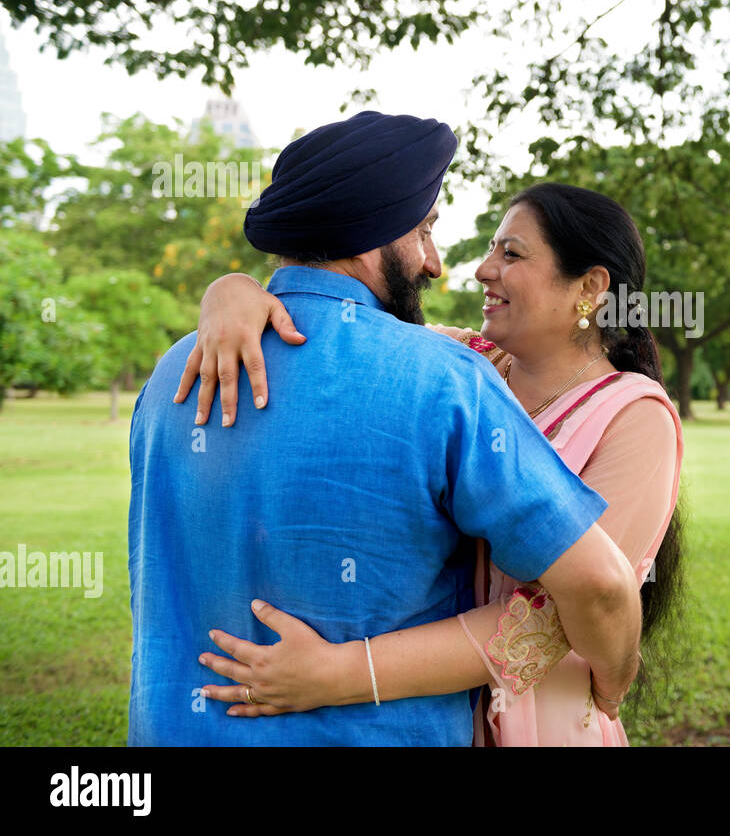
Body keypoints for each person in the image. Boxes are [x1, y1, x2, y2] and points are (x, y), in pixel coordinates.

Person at [129, 112, 643, 746]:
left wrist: (230, 287)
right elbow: (599, 583)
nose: (433, 263)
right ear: (372, 237)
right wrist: (614, 680)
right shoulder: (444, 381)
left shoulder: (171, 375)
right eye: (424, 231)